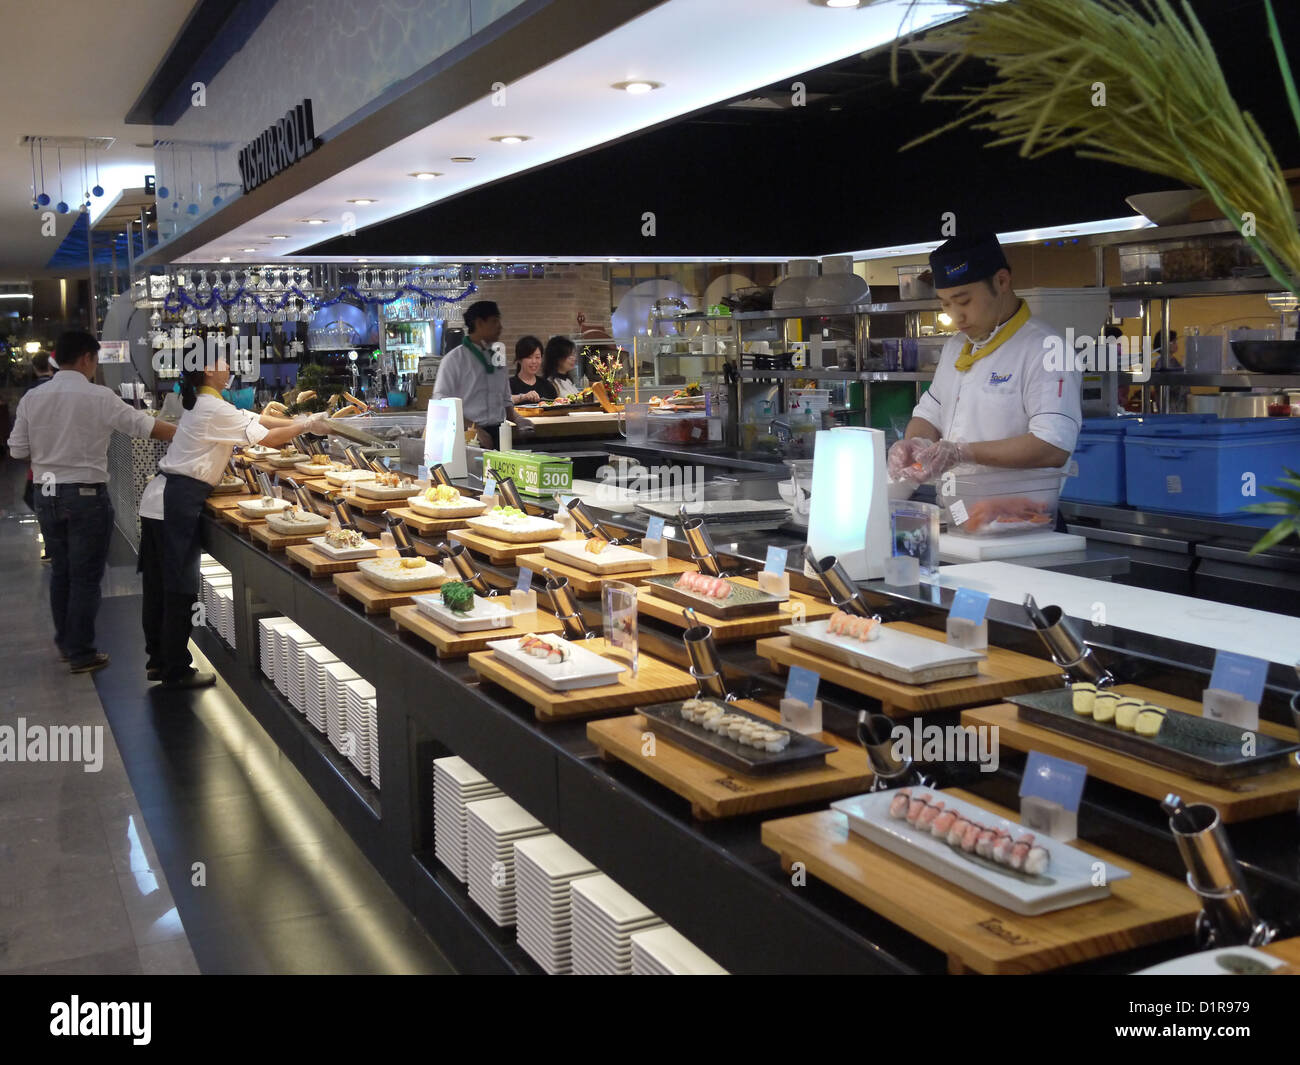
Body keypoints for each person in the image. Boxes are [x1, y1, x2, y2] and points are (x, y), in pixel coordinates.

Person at [138, 358, 332, 689]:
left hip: (163, 499)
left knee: (159, 586)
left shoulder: (207, 402)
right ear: (209, 369)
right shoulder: (212, 407)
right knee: (178, 588)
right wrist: (307, 424)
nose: (230, 364)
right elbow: (265, 439)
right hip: (175, 501)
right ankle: (175, 669)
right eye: (223, 358)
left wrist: (300, 419)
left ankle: (158, 660)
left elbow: (257, 419)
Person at [6, 330, 177, 674]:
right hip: (85, 496)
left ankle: (68, 645)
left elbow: (18, 450)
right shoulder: (98, 396)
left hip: (47, 494)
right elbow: (146, 428)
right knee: (85, 577)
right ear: (87, 358)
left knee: (62, 572)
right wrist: (191, 432)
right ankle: (81, 651)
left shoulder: (32, 398)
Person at [888, 231, 1081, 485]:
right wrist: (916, 443)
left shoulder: (1047, 349)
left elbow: (1053, 445)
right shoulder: (956, 348)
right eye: (946, 305)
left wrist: (962, 453)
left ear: (1002, 281)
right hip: (958, 512)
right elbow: (929, 414)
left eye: (964, 301)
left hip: (1025, 517)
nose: (956, 317)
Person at [433, 300, 518, 448]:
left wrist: (518, 420)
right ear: (479, 323)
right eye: (494, 321)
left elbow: (505, 399)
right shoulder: (454, 360)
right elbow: (442, 404)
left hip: (500, 432)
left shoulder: (497, 358)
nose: (500, 327)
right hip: (467, 436)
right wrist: (474, 429)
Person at [509, 335, 554, 403]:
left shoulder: (547, 386)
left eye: (537, 357)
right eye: (529, 357)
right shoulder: (509, 385)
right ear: (519, 360)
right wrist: (522, 397)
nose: (534, 361)